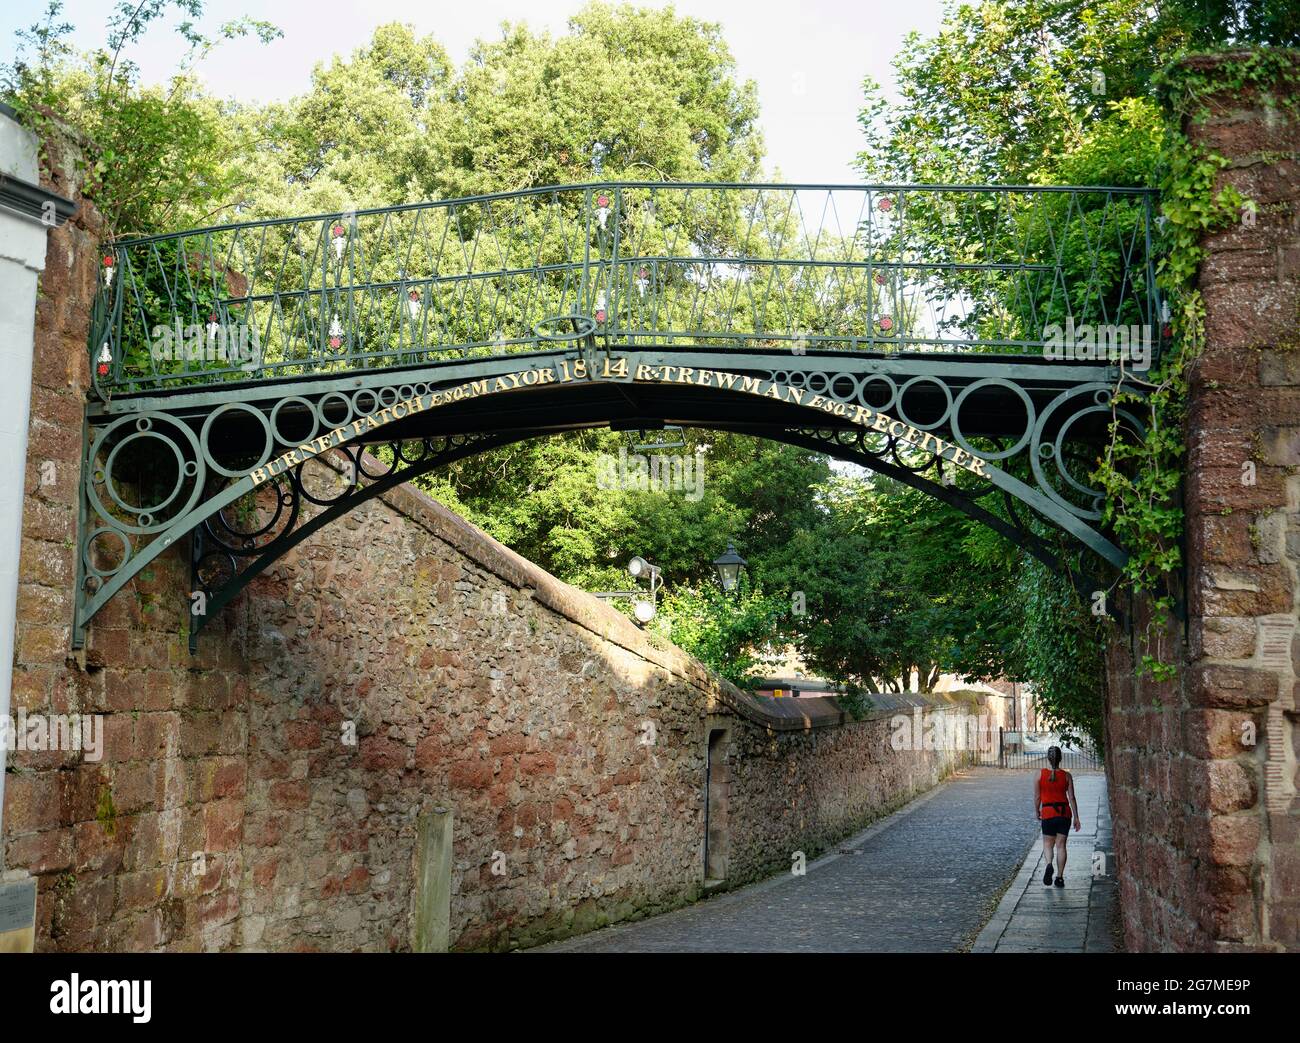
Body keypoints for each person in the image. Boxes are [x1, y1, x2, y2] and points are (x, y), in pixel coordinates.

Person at [1034, 746, 1080, 887]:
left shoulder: (1040, 775)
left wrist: (1037, 811)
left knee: (1048, 844)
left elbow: (1037, 797)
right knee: (1061, 846)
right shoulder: (1067, 776)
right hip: (1064, 814)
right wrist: (1077, 817)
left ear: (1048, 759)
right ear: (1060, 758)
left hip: (1048, 813)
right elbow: (1071, 797)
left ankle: (1049, 864)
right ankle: (1059, 878)